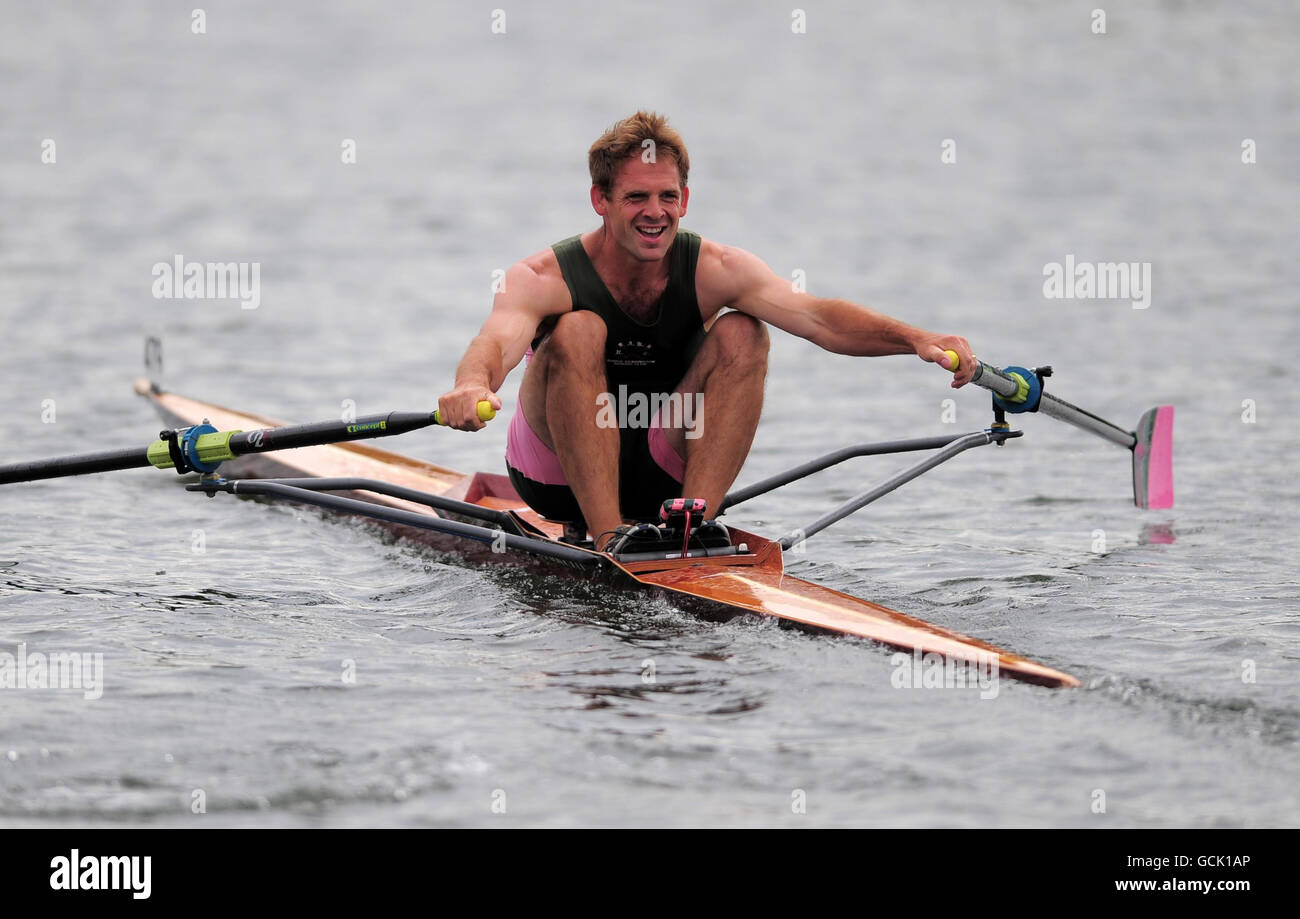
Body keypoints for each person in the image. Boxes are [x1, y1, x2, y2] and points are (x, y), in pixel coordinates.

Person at [437, 111, 974, 551]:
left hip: (659, 462)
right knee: (577, 330)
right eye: (636, 198)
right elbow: (496, 342)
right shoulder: (541, 278)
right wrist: (471, 385)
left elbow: (819, 319)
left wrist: (917, 339)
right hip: (555, 479)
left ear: (685, 200)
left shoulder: (716, 268)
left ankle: (691, 525)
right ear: (600, 200)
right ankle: (607, 536)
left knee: (746, 331)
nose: (655, 213)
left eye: (667, 197)